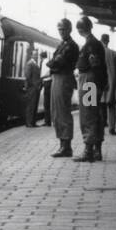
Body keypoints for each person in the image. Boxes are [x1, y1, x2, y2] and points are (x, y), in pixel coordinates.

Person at [74, 17, 108, 162]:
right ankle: (97, 151)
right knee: (96, 115)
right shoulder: (95, 43)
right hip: (93, 81)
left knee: (88, 115)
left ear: (80, 29)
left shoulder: (91, 44)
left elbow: (95, 65)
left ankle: (88, 150)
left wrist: (96, 84)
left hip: (89, 81)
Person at [48, 19, 79, 157]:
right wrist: (53, 63)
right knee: (56, 112)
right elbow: (54, 62)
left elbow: (56, 62)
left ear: (69, 29)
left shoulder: (71, 46)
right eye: (59, 29)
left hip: (64, 78)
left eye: (63, 29)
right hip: (58, 78)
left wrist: (52, 64)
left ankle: (66, 147)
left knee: (62, 112)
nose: (61, 32)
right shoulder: (63, 44)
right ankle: (62, 144)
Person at [99, 33, 116, 137]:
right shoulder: (115, 54)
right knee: (111, 107)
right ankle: (112, 128)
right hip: (112, 84)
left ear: (100, 40)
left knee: (98, 107)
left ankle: (100, 128)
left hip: (98, 84)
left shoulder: (96, 52)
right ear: (108, 41)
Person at [23, 49, 42, 126]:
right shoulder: (30, 64)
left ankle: (33, 122)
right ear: (31, 55)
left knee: (34, 105)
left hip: (35, 88)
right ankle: (29, 123)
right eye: (35, 55)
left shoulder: (35, 64)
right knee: (31, 105)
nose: (36, 56)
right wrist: (34, 85)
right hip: (32, 88)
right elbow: (28, 76)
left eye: (37, 55)